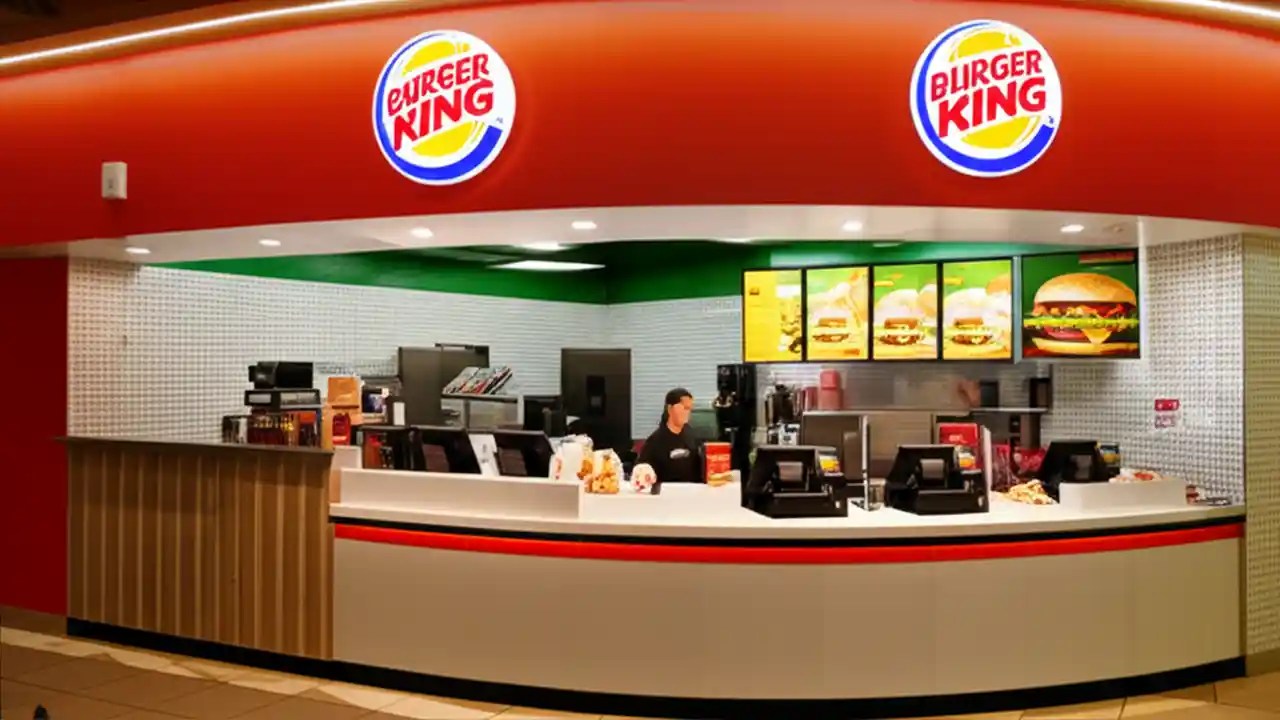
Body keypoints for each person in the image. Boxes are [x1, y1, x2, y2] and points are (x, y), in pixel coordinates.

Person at [638, 387, 702, 484]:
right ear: (670, 409)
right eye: (684, 407)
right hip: (664, 493)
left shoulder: (692, 436)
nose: (687, 412)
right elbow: (641, 472)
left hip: (690, 492)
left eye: (690, 409)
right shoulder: (655, 441)